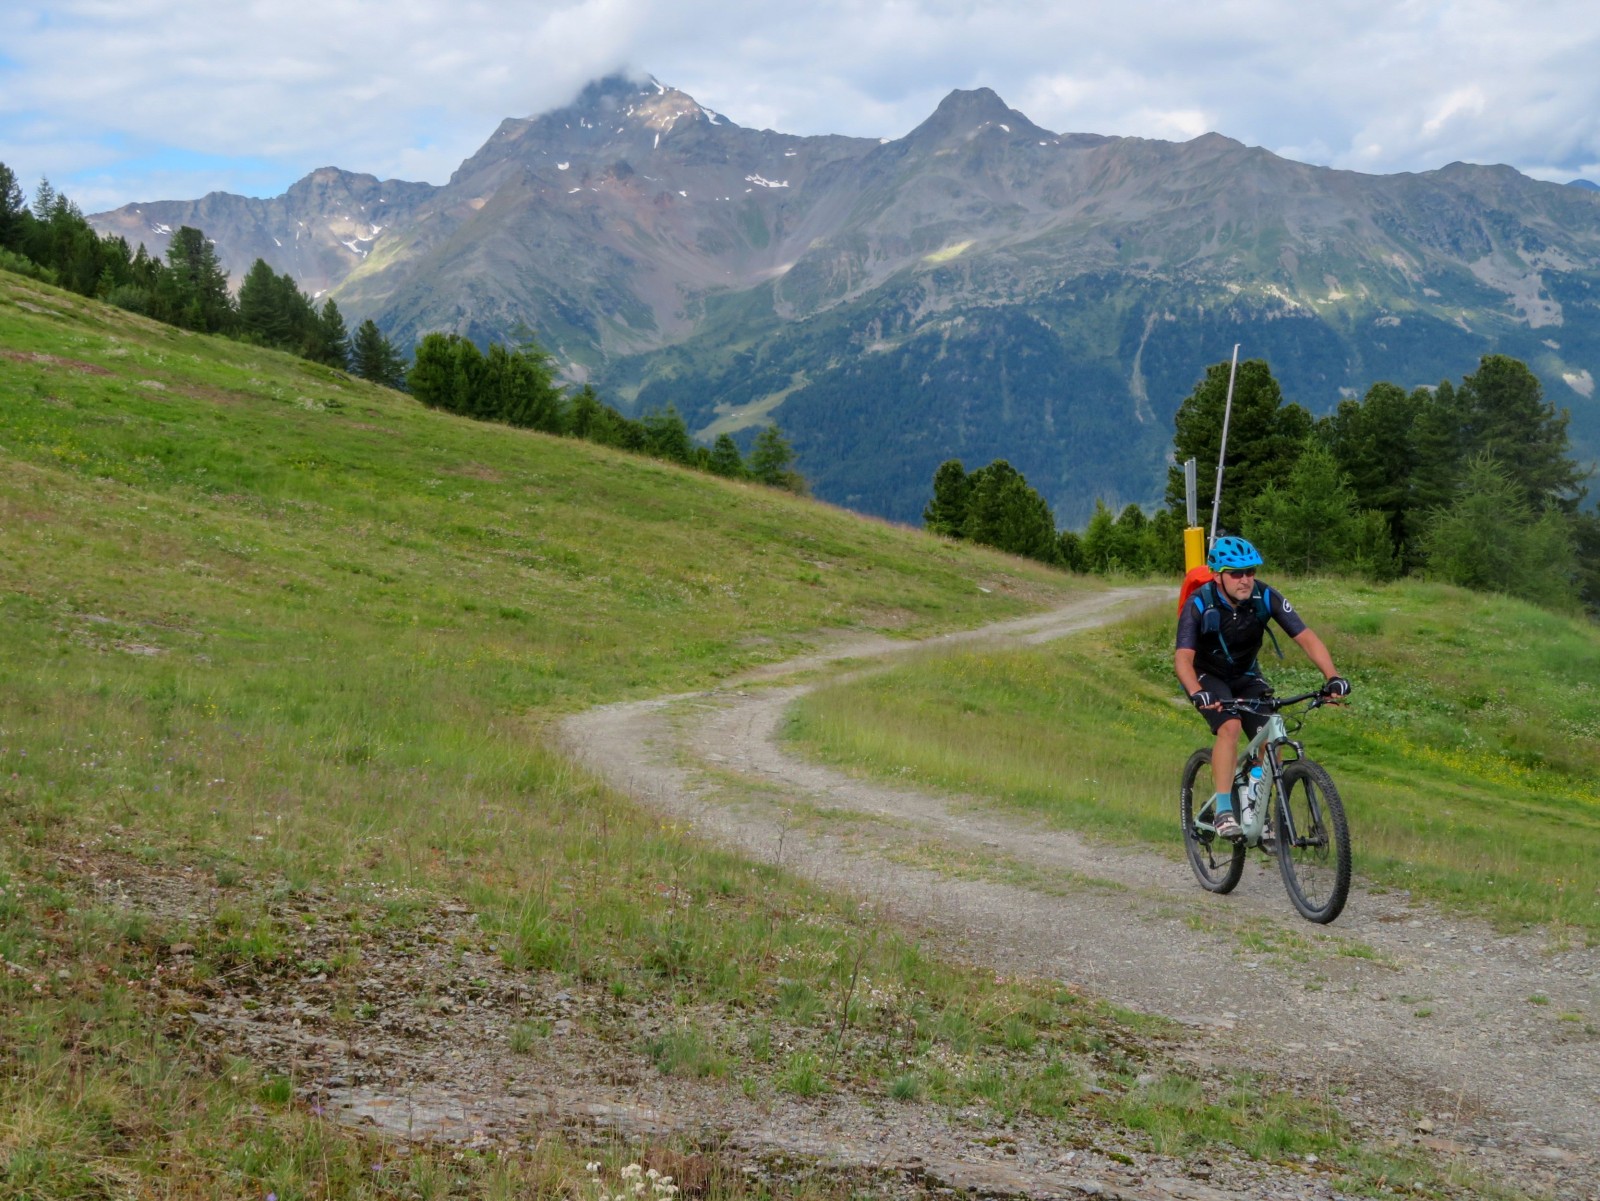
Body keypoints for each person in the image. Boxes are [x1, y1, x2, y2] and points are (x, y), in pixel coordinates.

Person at [1174, 536, 1350, 840]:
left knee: (1271, 737)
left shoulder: (1265, 596)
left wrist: (1332, 676)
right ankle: (1224, 810)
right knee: (1229, 726)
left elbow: (1306, 637)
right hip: (1206, 675)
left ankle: (1259, 813)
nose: (1246, 580)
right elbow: (1183, 659)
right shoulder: (1200, 602)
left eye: (1251, 571)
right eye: (1236, 573)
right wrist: (1196, 691)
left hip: (1245, 674)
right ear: (1217, 575)